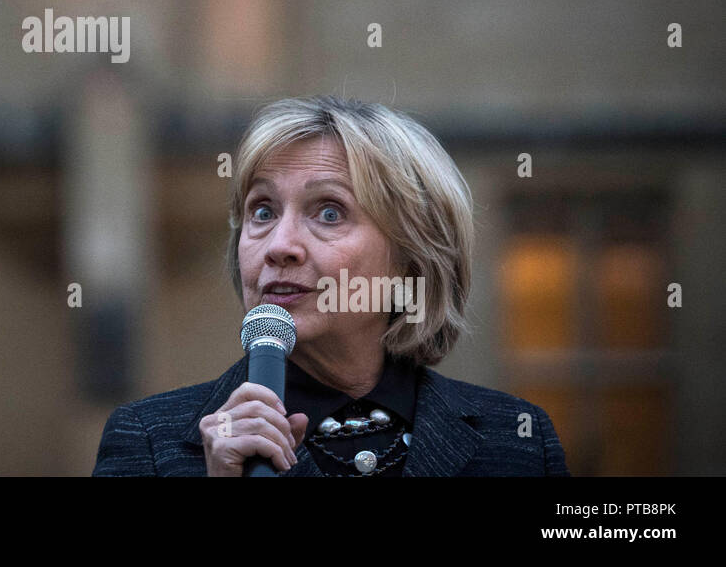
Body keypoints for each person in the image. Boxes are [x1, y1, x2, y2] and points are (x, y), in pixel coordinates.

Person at [93, 95, 568, 476]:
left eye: (328, 212)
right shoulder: (150, 443)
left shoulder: (519, 442)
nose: (280, 245)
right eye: (263, 211)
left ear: (412, 254)